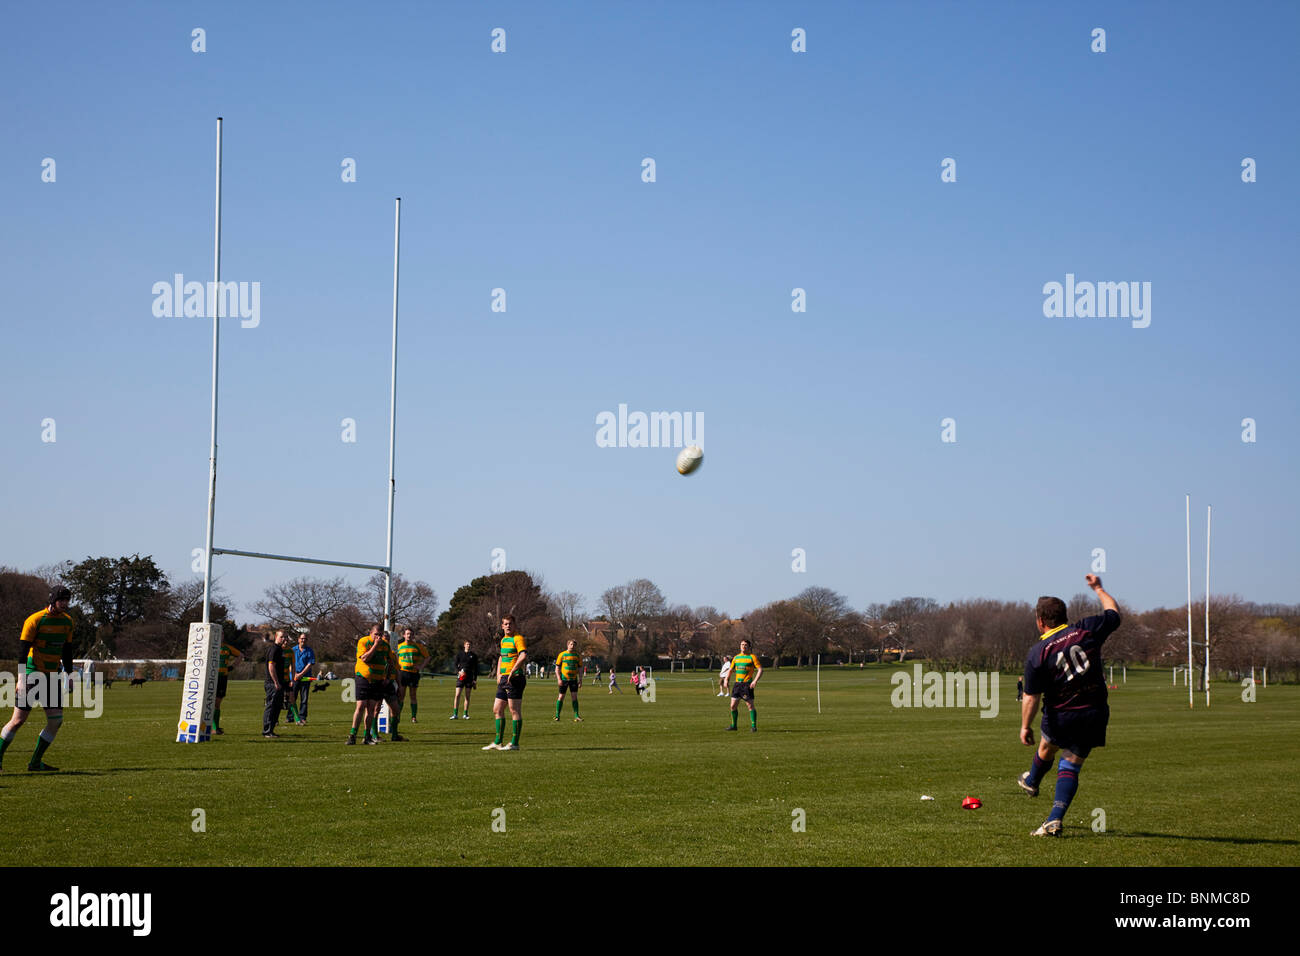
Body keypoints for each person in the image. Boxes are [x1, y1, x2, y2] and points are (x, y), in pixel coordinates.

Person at [1018, 574, 1122, 837]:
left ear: (1040, 622)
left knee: (1047, 746)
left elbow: (1031, 696)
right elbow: (1113, 613)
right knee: (1071, 764)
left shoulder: (1038, 653)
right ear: (1064, 615)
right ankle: (1053, 816)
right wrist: (1098, 588)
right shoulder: (1087, 629)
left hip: (1062, 714)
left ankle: (1032, 780)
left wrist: (1024, 727)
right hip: (1094, 712)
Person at [0, 586, 77, 771]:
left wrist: (69, 674)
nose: (65, 604)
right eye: (62, 600)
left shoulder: (67, 622)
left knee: (56, 721)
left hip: (52, 677)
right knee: (18, 721)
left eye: (68, 600)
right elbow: (22, 652)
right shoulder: (35, 620)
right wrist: (20, 678)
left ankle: (35, 763)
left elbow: (67, 651)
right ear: (53, 600)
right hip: (31, 674)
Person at [483, 615, 526, 751]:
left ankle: (515, 743)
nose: (508, 626)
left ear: (514, 625)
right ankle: (497, 742)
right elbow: (501, 657)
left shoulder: (518, 638)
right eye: (505, 624)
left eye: (510, 624)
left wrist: (513, 670)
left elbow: (523, 655)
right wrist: (498, 674)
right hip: (503, 678)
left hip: (515, 678)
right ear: (502, 626)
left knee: (514, 710)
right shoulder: (503, 640)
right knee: (497, 709)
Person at [348, 624, 389, 745]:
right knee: (360, 706)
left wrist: (386, 677)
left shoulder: (385, 646)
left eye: (380, 635)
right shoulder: (363, 642)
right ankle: (352, 735)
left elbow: (390, 661)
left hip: (377, 680)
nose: (378, 637)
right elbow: (365, 658)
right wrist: (375, 646)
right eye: (376, 634)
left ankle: (367, 736)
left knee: (371, 708)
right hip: (363, 677)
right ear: (370, 633)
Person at [396, 627, 430, 724]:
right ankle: (397, 716)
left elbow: (427, 657)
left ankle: (413, 717)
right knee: (401, 695)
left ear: (413, 635)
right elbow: (394, 657)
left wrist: (421, 666)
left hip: (414, 674)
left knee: (413, 695)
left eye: (411, 634)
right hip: (403, 673)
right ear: (404, 635)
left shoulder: (418, 646)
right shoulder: (399, 646)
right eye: (407, 634)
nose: (409, 635)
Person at [726, 640, 762, 732]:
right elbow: (730, 670)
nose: (743, 646)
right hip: (737, 685)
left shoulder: (752, 657)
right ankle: (734, 726)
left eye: (746, 645)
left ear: (749, 647)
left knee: (750, 705)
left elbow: (760, 670)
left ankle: (754, 726)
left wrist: (755, 681)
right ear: (740, 646)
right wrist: (726, 679)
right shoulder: (736, 658)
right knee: (733, 706)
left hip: (747, 685)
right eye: (742, 644)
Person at [213, 635, 243, 735]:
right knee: (209, 702)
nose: (220, 636)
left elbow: (240, 655)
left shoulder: (227, 648)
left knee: (217, 702)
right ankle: (212, 727)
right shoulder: (210, 646)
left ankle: (215, 727)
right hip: (211, 677)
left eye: (221, 634)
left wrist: (232, 667)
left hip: (222, 678)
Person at [263, 631, 288, 738]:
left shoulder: (280, 649)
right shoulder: (274, 649)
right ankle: (266, 731)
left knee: (277, 707)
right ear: (276, 637)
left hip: (279, 683)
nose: (284, 639)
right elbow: (271, 666)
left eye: (285, 637)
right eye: (281, 637)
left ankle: (271, 730)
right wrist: (276, 682)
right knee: (271, 706)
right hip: (273, 683)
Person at [382, 632, 406, 741]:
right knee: (376, 708)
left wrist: (400, 685)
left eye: (388, 638)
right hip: (379, 683)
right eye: (384, 638)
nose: (386, 640)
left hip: (390, 684)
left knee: (395, 709)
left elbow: (396, 670)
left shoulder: (392, 654)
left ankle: (394, 734)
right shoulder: (377, 653)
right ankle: (372, 734)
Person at [554, 639, 583, 722]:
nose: (572, 646)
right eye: (571, 644)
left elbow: (580, 668)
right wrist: (559, 679)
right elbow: (557, 668)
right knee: (561, 697)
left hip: (573, 680)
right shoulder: (562, 655)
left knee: (574, 697)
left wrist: (580, 680)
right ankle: (557, 715)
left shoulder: (577, 656)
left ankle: (576, 715)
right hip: (564, 680)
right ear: (567, 645)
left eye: (574, 645)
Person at [292, 632, 316, 725]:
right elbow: (289, 663)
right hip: (294, 677)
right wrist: (295, 674)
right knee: (292, 698)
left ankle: (302, 717)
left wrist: (301, 674)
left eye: (305, 639)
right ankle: (290, 717)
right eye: (302, 638)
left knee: (304, 699)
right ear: (298, 639)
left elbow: (309, 664)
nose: (303, 640)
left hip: (305, 677)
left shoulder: (310, 651)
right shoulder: (293, 650)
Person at [452, 640, 478, 719]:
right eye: (467, 644)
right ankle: (455, 714)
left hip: (469, 677)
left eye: (469, 644)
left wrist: (475, 679)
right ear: (464, 645)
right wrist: (459, 672)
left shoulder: (473, 655)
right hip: (461, 677)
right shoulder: (460, 654)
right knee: (457, 695)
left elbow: (476, 668)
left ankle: (465, 714)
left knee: (467, 696)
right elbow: (455, 664)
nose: (468, 645)